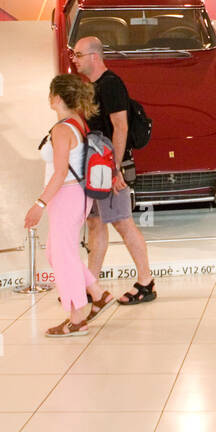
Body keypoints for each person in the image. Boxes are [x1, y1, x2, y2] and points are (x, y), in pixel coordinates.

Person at [24, 74, 114, 336]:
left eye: (51, 93)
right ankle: (97, 294)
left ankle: (77, 319)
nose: (49, 98)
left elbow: (60, 172)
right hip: (79, 195)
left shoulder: (62, 129)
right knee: (56, 252)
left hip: (66, 196)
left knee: (64, 256)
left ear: (58, 98)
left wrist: (39, 204)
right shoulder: (78, 123)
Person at [70, 36, 157, 305]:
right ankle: (90, 283)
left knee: (122, 222)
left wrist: (115, 168)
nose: (74, 59)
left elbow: (121, 127)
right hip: (97, 166)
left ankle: (146, 281)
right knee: (95, 223)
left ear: (94, 56)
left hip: (109, 167)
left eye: (78, 54)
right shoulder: (94, 86)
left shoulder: (111, 85)